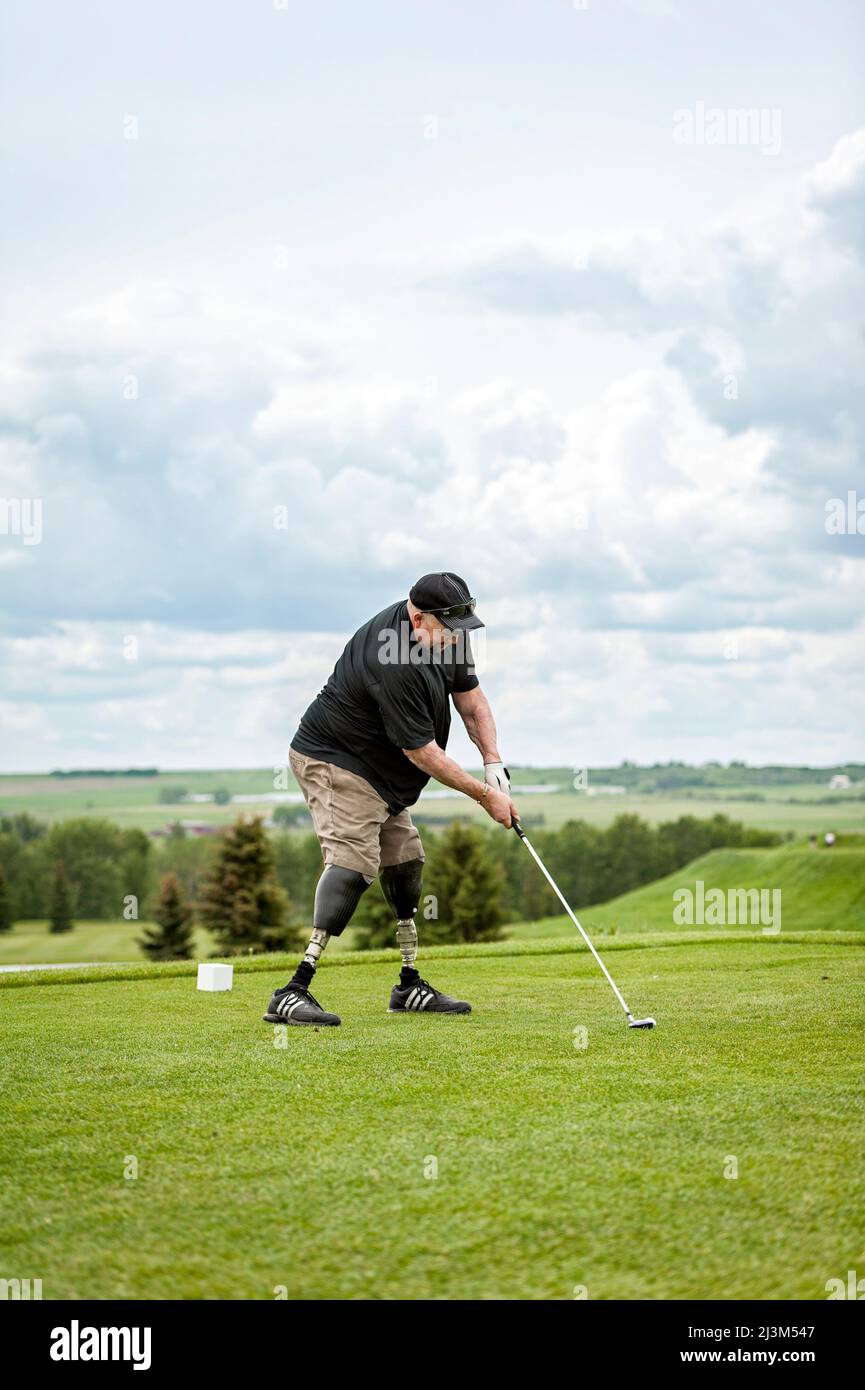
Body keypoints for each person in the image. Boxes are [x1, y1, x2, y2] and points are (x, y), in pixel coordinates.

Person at [263, 572, 519, 1027]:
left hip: (383, 773)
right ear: (418, 618)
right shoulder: (393, 659)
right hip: (337, 760)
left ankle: (407, 985)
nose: (458, 638)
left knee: (405, 859)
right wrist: (484, 798)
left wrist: (493, 764)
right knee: (354, 864)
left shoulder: (449, 631)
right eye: (450, 629)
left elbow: (472, 701)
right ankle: (292, 990)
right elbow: (422, 752)